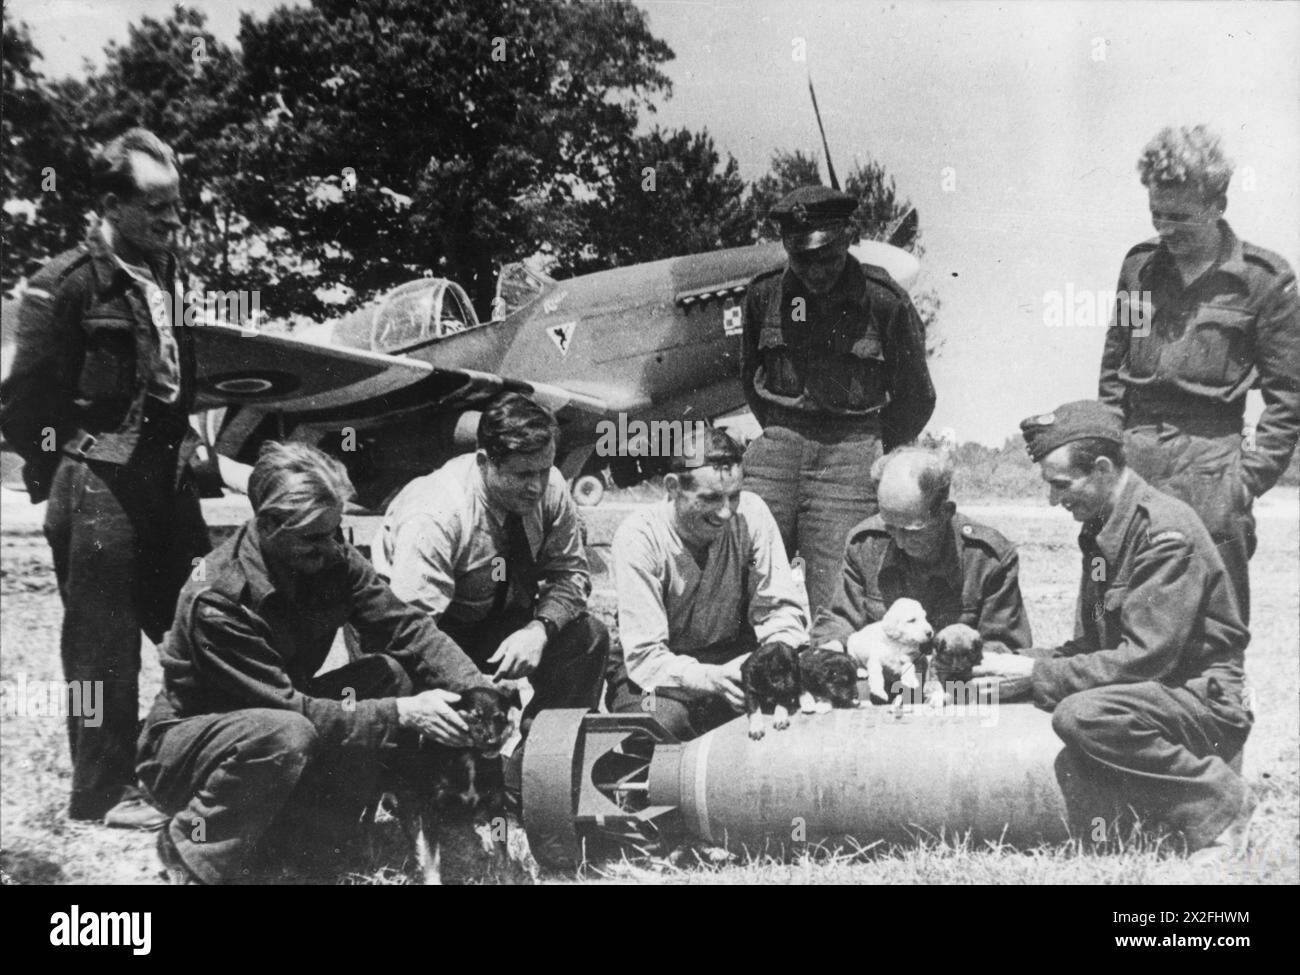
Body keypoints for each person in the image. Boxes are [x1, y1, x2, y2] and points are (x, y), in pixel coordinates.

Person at [136, 442, 492, 884]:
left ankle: (308, 834)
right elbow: (289, 710)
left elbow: (406, 627)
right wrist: (403, 713)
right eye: (313, 538)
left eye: (334, 531)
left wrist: (478, 688)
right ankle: (190, 852)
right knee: (289, 733)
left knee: (388, 675)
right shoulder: (219, 598)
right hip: (193, 749)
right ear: (268, 525)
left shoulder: (328, 556)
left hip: (272, 728)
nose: (331, 548)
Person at [0, 128, 210, 828]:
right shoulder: (62, 284)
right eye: (157, 206)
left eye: (178, 205)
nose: (173, 220)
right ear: (111, 204)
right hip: (96, 478)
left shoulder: (169, 272)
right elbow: (24, 401)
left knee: (202, 620)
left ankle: (187, 761)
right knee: (102, 645)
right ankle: (102, 791)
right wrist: (66, 468)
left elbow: (179, 370)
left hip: (166, 479)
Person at [976, 401, 1254, 861]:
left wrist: (1034, 678)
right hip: (1158, 694)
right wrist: (1013, 663)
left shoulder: (1164, 532)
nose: (1053, 500)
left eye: (1061, 485)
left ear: (1103, 469)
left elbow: (1145, 658)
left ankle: (1220, 803)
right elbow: (1093, 647)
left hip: (1202, 699)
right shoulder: (1106, 528)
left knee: (1083, 715)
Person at [1098, 125, 1300, 623]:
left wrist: (1246, 481)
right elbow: (1113, 369)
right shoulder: (1139, 268)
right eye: (1156, 214)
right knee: (1114, 611)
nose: (1165, 229)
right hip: (1135, 458)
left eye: (1180, 217)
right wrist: (1107, 452)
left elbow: (1288, 397)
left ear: (1218, 204)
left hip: (1213, 466)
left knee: (1211, 623)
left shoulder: (1264, 281)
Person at [374, 392, 609, 788]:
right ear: (484, 461)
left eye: (544, 470)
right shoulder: (436, 511)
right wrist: (475, 683)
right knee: (400, 686)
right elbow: (413, 630)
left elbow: (571, 574)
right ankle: (412, 778)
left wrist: (539, 631)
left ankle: (535, 774)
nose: (537, 487)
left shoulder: (550, 487)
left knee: (588, 638)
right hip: (423, 631)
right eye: (522, 475)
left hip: (500, 619)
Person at [741, 185, 935, 617]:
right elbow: (750, 378)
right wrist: (780, 435)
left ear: (849, 238)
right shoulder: (764, 294)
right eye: (802, 259)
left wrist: (871, 447)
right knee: (744, 580)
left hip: (849, 458)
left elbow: (916, 396)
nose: (815, 271)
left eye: (826, 257)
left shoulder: (884, 301)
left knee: (841, 599)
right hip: (777, 451)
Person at [606, 427, 808, 740]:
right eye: (711, 498)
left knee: (793, 712)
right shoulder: (639, 537)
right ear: (673, 487)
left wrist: (770, 659)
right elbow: (645, 657)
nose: (727, 511)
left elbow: (780, 610)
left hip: (736, 661)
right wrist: (709, 678)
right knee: (658, 723)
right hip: (657, 679)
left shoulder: (752, 513)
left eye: (734, 496)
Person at [811, 446, 1032, 663]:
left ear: (945, 513)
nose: (898, 541)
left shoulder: (987, 559)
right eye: (890, 527)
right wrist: (832, 646)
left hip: (957, 684)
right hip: (882, 679)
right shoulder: (865, 545)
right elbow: (841, 621)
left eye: (911, 530)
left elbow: (1005, 649)